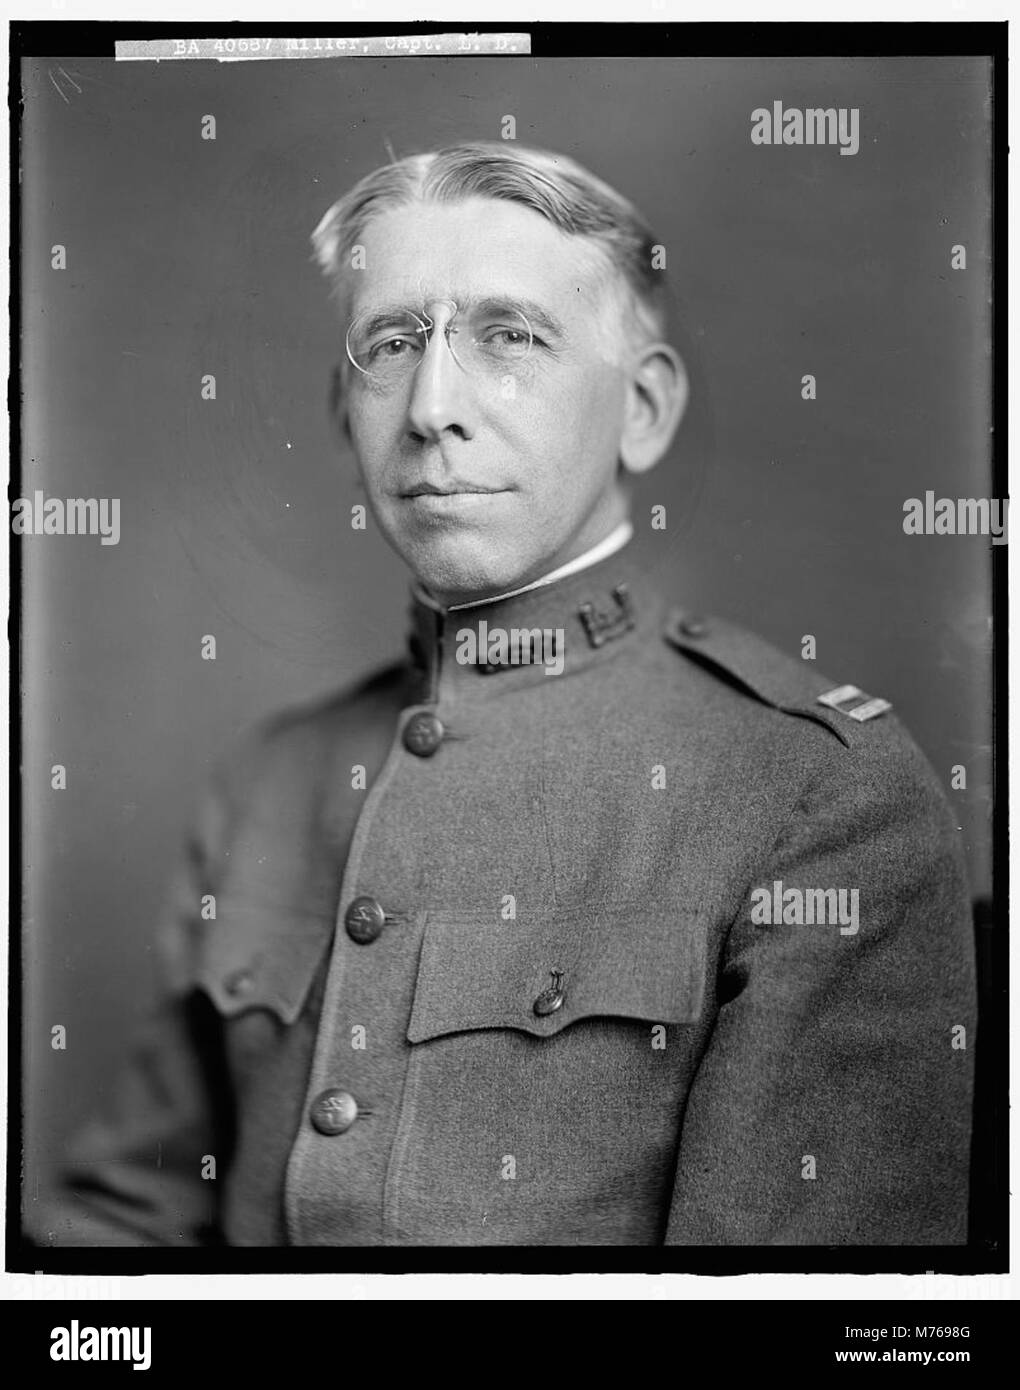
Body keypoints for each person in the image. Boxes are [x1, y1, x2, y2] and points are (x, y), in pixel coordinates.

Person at [29, 143, 975, 1247]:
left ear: (645, 408)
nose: (433, 406)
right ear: (345, 409)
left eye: (510, 336)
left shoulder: (820, 796)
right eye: (392, 344)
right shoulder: (271, 777)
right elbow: (119, 1230)